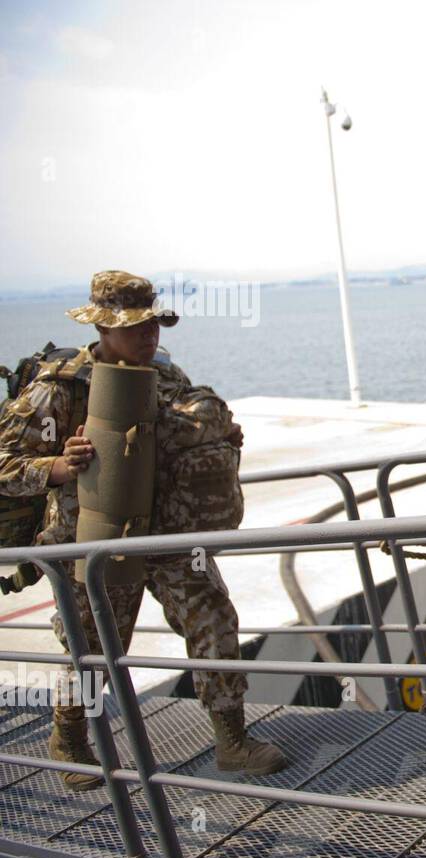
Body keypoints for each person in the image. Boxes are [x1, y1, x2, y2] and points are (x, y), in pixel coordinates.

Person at [0, 270, 288, 788]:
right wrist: (58, 468)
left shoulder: (165, 375)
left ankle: (232, 742)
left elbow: (188, 426)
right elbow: (4, 464)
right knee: (93, 648)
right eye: (136, 326)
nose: (149, 334)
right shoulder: (61, 389)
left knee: (214, 619)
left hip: (167, 536)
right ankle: (70, 741)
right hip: (94, 538)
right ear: (104, 328)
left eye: (154, 323)